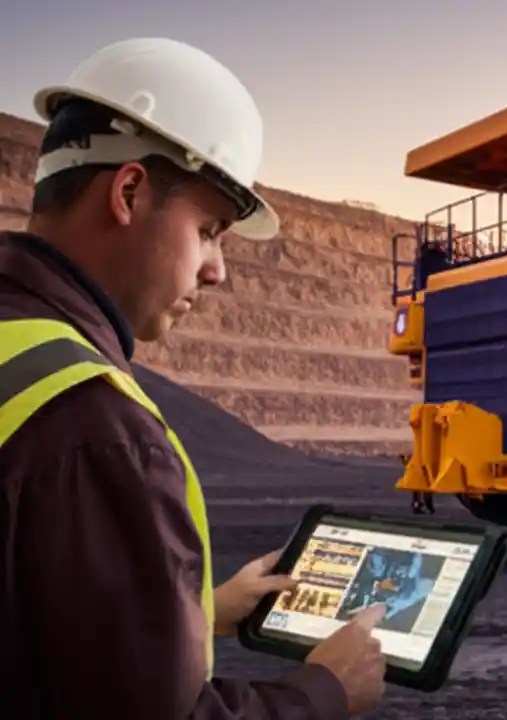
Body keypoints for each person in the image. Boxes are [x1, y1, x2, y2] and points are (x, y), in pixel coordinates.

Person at [0, 38, 387, 717]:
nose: (218, 271)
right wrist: (324, 689)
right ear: (127, 193)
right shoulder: (99, 432)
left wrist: (195, 608)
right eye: (209, 230)